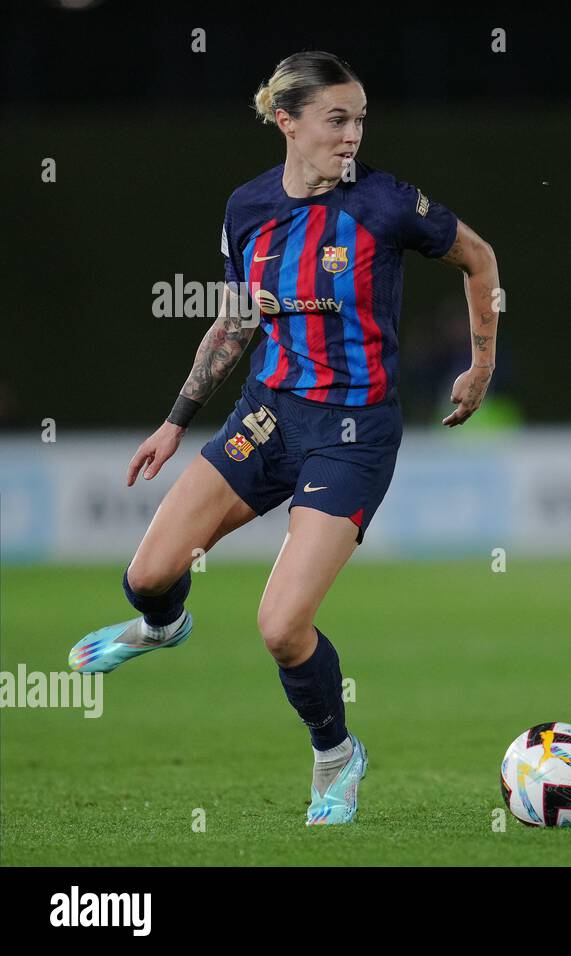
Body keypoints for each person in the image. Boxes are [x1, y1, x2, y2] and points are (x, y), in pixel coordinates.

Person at [68, 51, 500, 825]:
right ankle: (163, 627)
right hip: (267, 417)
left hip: (353, 433)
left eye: (360, 119)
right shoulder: (248, 208)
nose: (352, 136)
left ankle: (336, 754)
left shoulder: (387, 204)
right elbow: (239, 320)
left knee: (280, 626)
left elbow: (479, 257)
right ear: (288, 121)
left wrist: (481, 362)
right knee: (148, 575)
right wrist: (176, 420)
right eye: (338, 119)